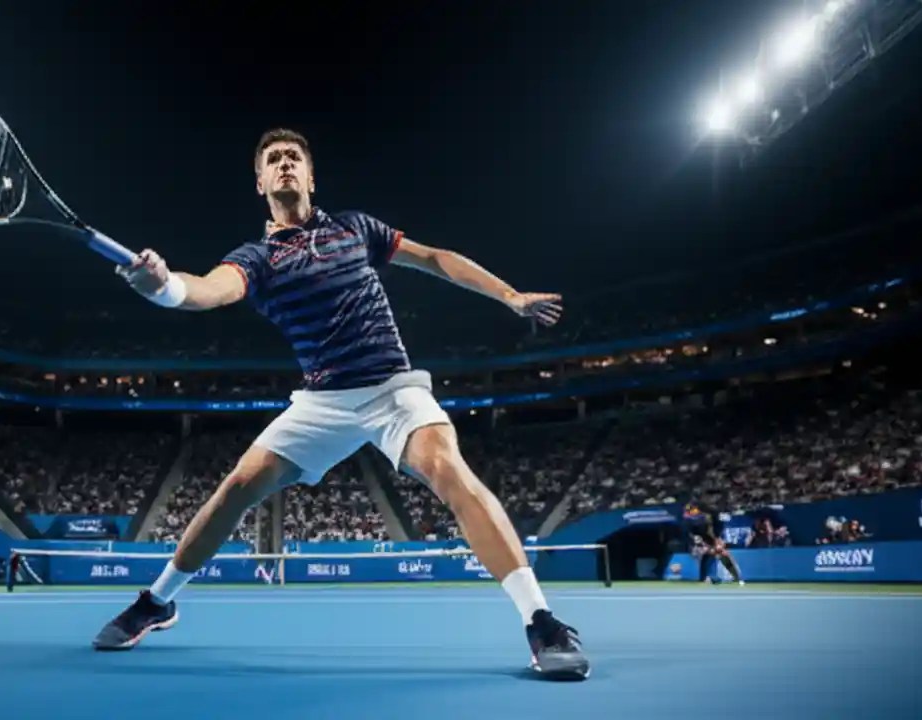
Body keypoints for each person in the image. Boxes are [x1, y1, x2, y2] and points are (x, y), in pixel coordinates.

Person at [94, 128, 588, 680]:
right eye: (273, 160)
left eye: (293, 157)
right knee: (235, 487)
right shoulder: (257, 259)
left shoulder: (356, 229)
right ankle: (158, 601)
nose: (284, 164)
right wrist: (163, 288)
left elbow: (436, 259)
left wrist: (510, 296)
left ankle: (541, 622)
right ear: (260, 183)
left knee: (449, 469)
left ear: (310, 176)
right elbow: (209, 289)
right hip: (321, 401)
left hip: (392, 389)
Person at [682, 501, 744, 585]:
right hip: (694, 547)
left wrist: (719, 546)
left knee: (724, 553)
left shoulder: (714, 530)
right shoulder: (695, 527)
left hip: (707, 546)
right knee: (710, 552)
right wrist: (706, 546)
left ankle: (737, 577)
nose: (708, 519)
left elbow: (717, 541)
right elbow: (696, 541)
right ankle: (708, 577)